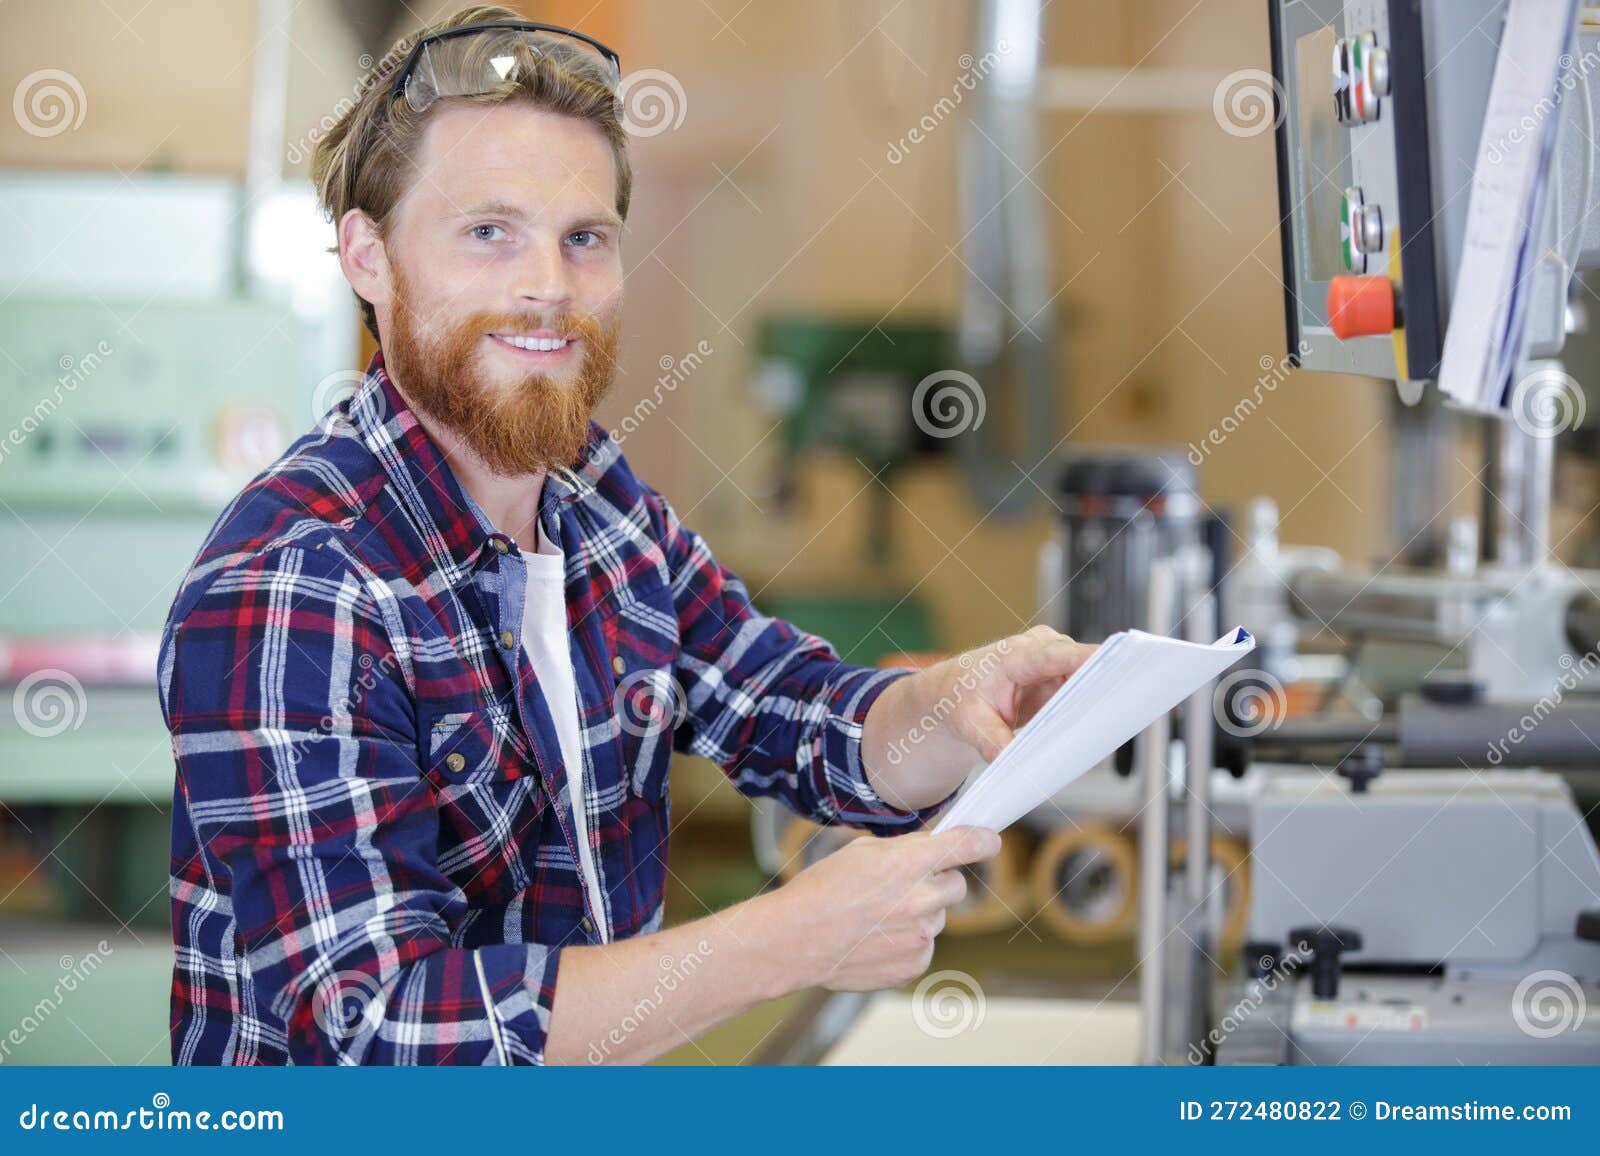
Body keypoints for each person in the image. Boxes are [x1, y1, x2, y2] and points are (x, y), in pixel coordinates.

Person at [158, 6, 1092, 1065]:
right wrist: (788, 940)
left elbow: (787, 708)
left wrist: (956, 697)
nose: (548, 286)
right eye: (487, 231)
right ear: (368, 255)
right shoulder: (297, 580)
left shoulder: (593, 496)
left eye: (584, 238)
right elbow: (385, 1034)